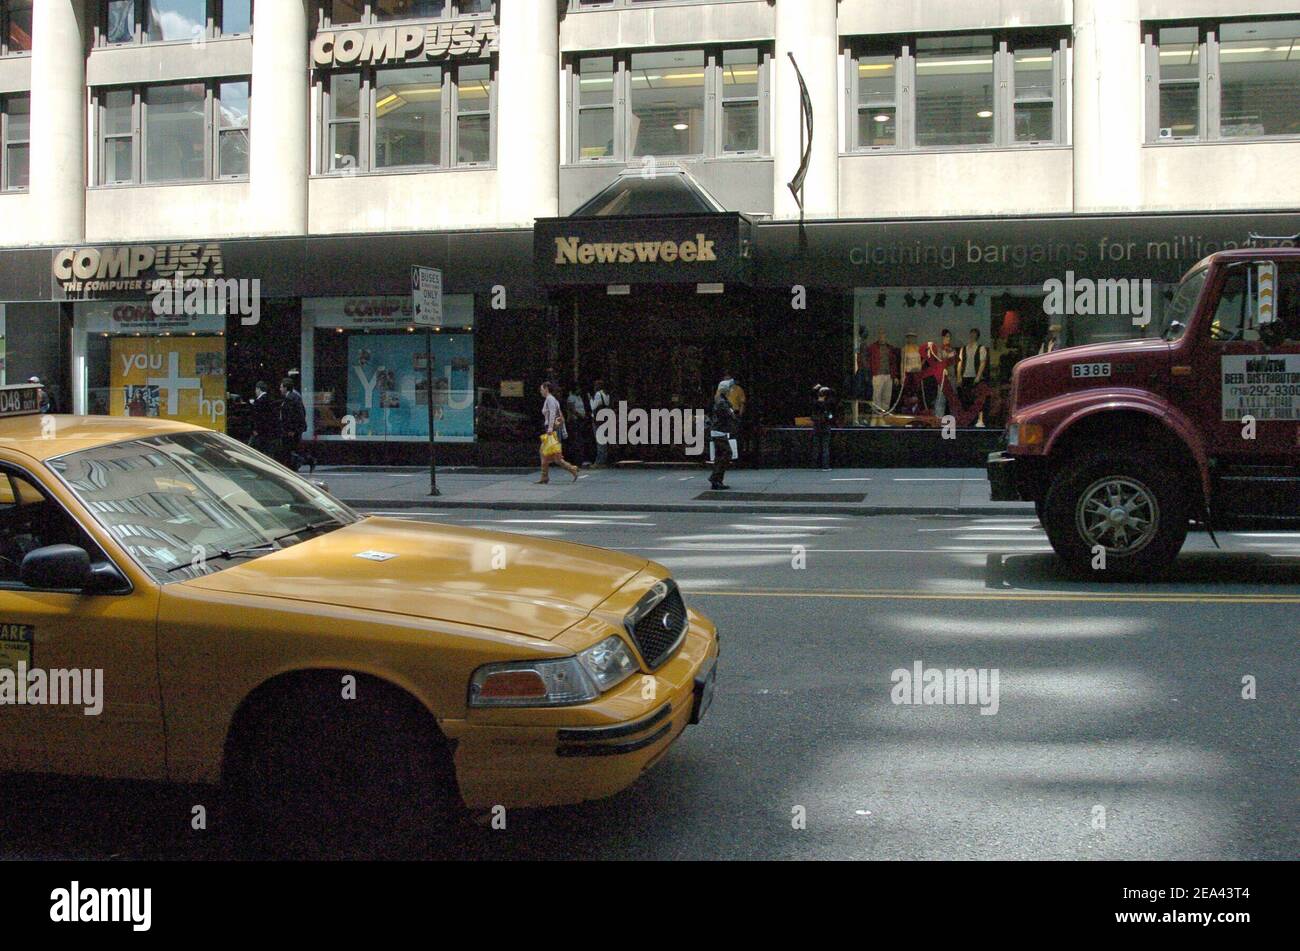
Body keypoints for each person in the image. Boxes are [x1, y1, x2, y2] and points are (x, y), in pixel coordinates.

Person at [537, 381, 579, 484]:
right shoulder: (551, 399)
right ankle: (544, 477)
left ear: (546, 389)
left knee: (554, 456)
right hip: (553, 429)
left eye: (542, 389)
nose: (541, 391)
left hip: (552, 430)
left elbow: (552, 414)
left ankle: (572, 469)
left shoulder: (550, 399)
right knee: (545, 454)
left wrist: (550, 428)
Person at [708, 384, 737, 490]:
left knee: (720, 456)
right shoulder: (722, 403)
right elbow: (729, 415)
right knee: (727, 454)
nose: (731, 391)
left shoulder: (720, 400)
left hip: (718, 431)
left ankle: (716, 480)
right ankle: (715, 478)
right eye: (730, 389)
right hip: (720, 432)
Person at [279, 378, 308, 470]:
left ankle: (297, 464)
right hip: (292, 429)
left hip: (292, 430)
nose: (280, 389)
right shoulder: (293, 397)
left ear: (285, 388)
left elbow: (294, 415)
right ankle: (294, 465)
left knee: (290, 448)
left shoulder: (291, 398)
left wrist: (292, 429)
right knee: (291, 448)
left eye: (281, 387)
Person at [249, 381, 280, 457]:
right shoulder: (269, 399)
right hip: (268, 431)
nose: (255, 391)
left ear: (259, 389)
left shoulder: (259, 401)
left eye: (256, 389)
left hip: (260, 431)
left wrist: (255, 429)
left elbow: (258, 417)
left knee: (252, 449)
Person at [566, 381, 591, 466]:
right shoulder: (571, 397)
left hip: (581, 420)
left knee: (581, 439)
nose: (579, 390)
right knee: (576, 440)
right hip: (575, 420)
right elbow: (572, 410)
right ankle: (576, 460)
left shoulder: (579, 397)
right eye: (578, 389)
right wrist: (581, 416)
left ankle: (582, 458)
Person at [811, 386, 835, 471]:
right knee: (825, 447)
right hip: (825, 426)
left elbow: (812, 395)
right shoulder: (828, 403)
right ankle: (825, 466)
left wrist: (817, 388)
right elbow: (833, 394)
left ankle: (814, 465)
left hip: (816, 426)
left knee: (816, 446)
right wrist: (827, 389)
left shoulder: (815, 403)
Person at [589, 378, 611, 467]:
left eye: (595, 386)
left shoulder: (598, 394)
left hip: (598, 420)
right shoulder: (606, 394)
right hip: (605, 419)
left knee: (599, 441)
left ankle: (599, 462)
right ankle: (603, 460)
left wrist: (590, 399)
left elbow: (593, 407)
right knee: (603, 440)